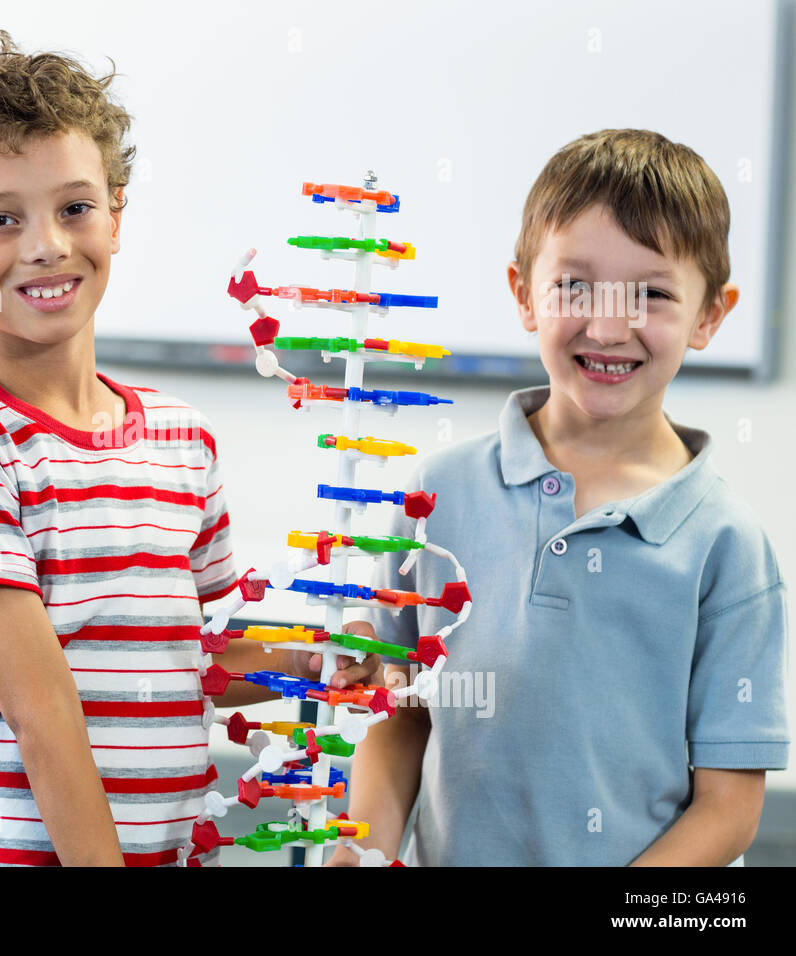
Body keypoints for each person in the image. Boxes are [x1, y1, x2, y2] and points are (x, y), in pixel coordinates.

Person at [0, 31, 377, 867]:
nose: (46, 244)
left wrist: (319, 660)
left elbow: (195, 655)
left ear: (116, 213)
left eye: (74, 207)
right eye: (0, 219)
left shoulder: (182, 438)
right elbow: (44, 721)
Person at [328, 129, 789, 867]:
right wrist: (363, 852)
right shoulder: (433, 497)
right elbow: (401, 715)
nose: (608, 326)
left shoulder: (727, 545)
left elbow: (729, 808)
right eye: (575, 286)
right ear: (523, 294)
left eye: (653, 294)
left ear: (710, 315)